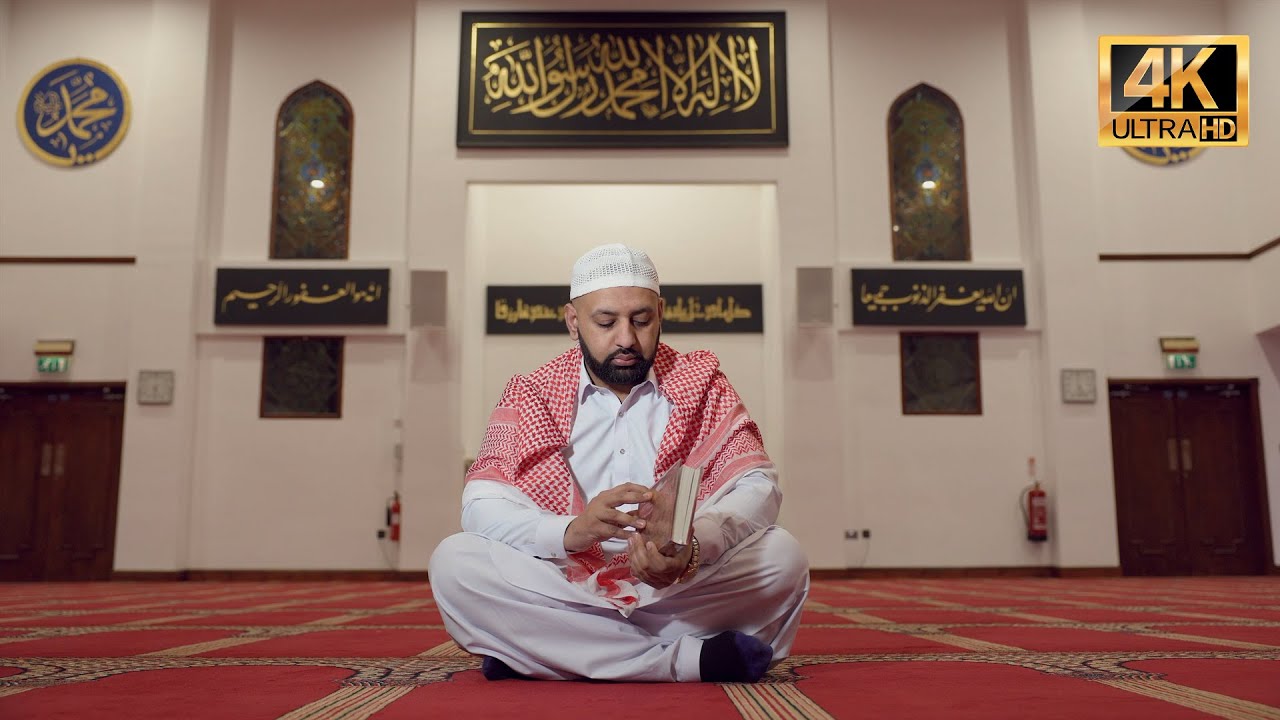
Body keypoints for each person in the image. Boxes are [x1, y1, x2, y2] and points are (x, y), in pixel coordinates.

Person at [429, 243, 808, 683]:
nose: (626, 339)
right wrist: (573, 531)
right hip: (564, 583)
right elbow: (480, 504)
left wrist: (694, 548)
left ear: (661, 313)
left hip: (677, 587)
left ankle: (547, 648)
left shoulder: (701, 384)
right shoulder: (531, 393)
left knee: (782, 556)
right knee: (455, 562)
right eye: (606, 322)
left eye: (641, 320)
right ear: (574, 322)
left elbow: (758, 486)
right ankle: (683, 661)